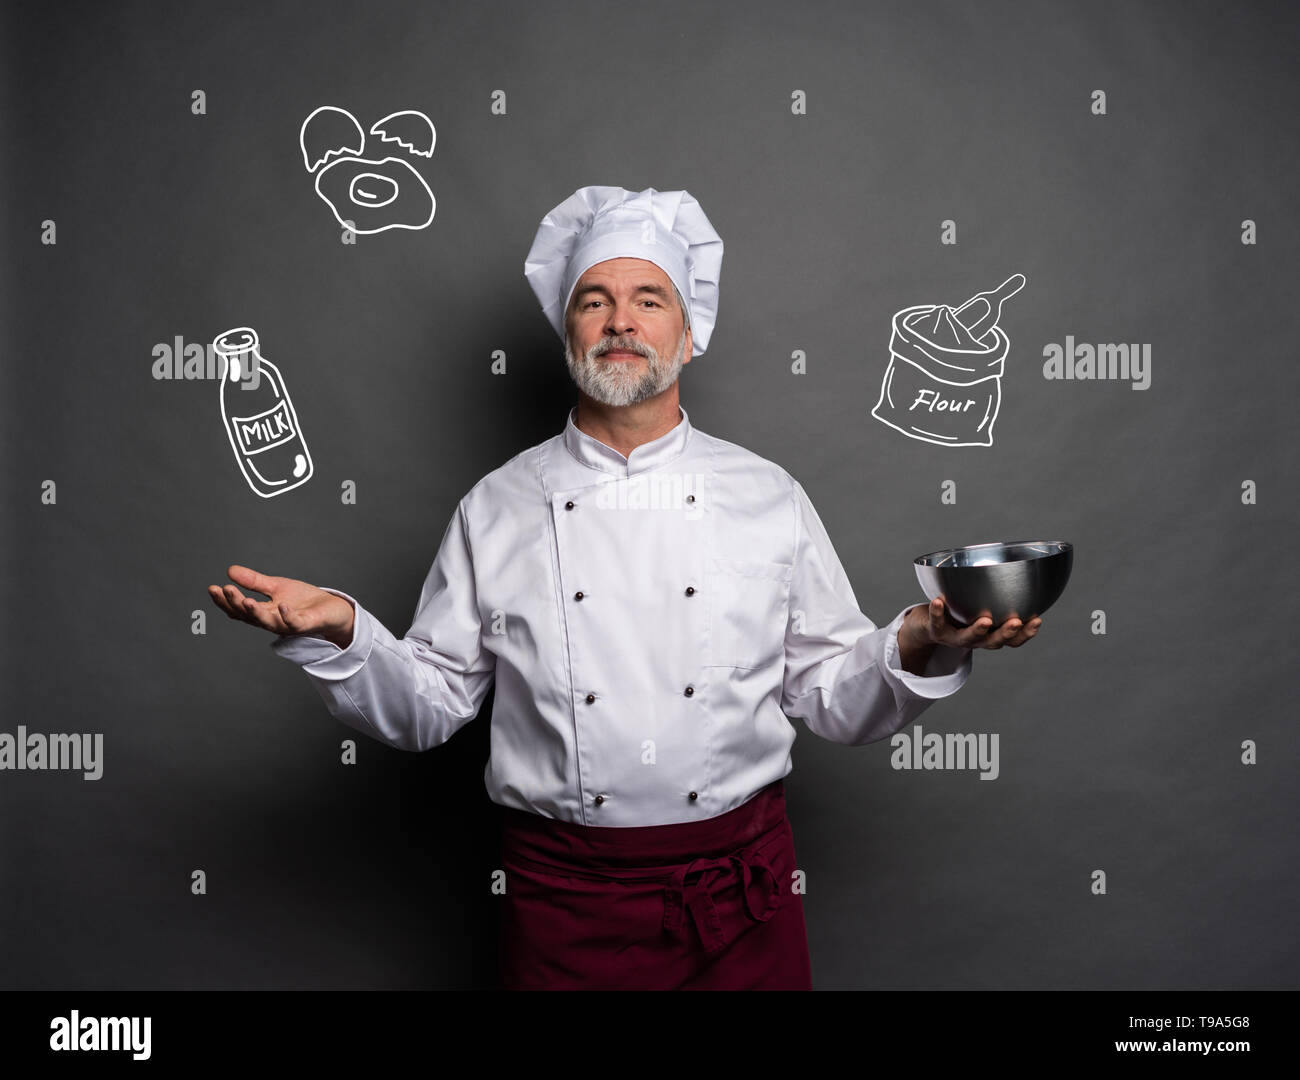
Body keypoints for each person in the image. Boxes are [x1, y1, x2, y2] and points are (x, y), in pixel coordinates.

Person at [208, 185, 1041, 990]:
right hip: (564, 905)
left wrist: (923, 638)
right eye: (594, 300)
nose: (620, 322)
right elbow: (430, 704)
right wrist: (345, 630)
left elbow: (831, 693)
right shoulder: (497, 505)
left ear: (688, 332)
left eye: (649, 299)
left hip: (737, 900)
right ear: (568, 331)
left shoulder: (767, 496)